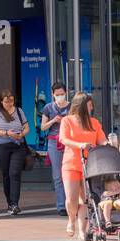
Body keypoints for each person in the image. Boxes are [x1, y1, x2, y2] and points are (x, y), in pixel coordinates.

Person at [59, 92, 107, 241]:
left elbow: (102, 140)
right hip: (71, 162)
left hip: (90, 165)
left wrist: (108, 145)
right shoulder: (67, 120)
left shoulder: (94, 122)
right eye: (90, 104)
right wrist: (80, 145)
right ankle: (71, 220)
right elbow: (63, 139)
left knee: (86, 199)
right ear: (81, 105)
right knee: (71, 199)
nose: (92, 107)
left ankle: (82, 230)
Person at [0, 90, 30, 215]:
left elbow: (27, 127)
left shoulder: (19, 111)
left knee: (15, 173)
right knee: (6, 175)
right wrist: (7, 133)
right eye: (6, 101)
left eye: (11, 101)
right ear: (1, 101)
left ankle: (14, 204)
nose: (9, 104)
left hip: (18, 145)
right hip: (2, 146)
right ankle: (10, 203)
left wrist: (21, 134)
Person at [39, 82, 71, 215]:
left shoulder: (71, 107)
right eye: (57, 95)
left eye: (62, 94)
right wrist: (53, 121)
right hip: (54, 142)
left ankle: (72, 202)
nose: (60, 97)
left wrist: (65, 120)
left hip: (69, 142)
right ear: (53, 95)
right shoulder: (48, 108)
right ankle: (61, 205)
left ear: (66, 93)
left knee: (70, 174)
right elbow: (43, 127)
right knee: (57, 175)